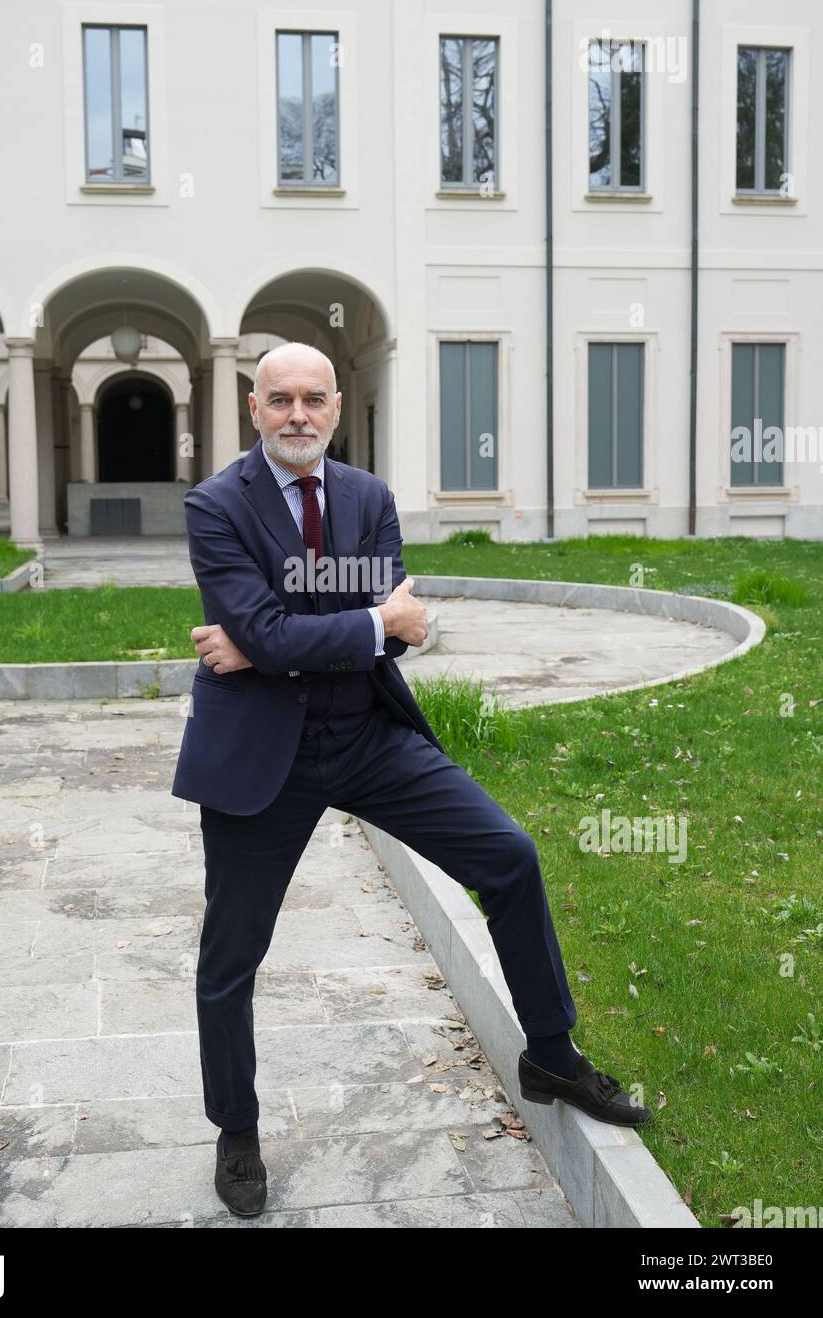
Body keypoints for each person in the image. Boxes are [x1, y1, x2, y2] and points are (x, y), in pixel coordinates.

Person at [171, 341, 651, 1218]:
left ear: (337, 406)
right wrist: (310, 627)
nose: (299, 416)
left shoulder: (368, 498)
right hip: (260, 758)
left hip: (366, 734)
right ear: (253, 408)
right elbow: (341, 622)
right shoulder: (215, 505)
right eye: (280, 400)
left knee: (508, 854)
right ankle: (235, 1127)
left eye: (315, 399)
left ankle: (552, 1053)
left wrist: (271, 636)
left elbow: (392, 630)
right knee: (231, 956)